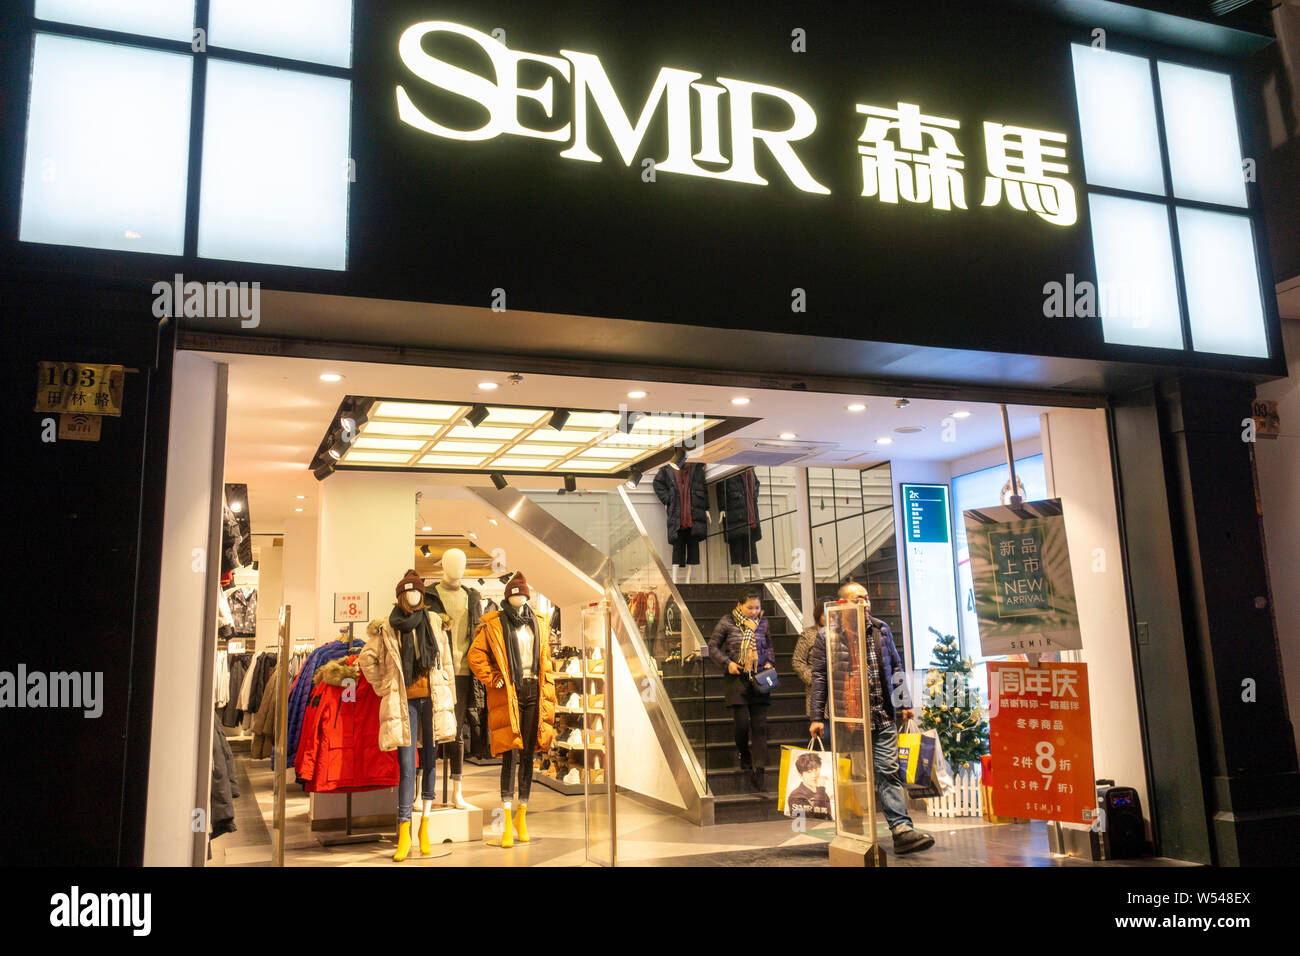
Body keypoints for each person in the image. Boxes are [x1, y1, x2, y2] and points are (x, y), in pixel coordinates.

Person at [809, 582, 934, 855]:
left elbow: (896, 666)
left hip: (882, 716)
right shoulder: (826, 635)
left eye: (867, 598)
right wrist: (817, 716)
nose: (865, 603)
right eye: (858, 599)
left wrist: (904, 703)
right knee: (852, 778)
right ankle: (853, 833)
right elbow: (819, 676)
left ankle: (901, 830)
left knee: (888, 771)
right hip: (847, 721)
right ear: (843, 604)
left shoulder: (881, 629)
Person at [707, 587, 776, 791]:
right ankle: (744, 753)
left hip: (759, 678)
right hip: (736, 679)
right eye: (750, 608)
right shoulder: (727, 621)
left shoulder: (763, 623)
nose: (754, 612)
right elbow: (712, 647)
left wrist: (770, 661)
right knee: (741, 725)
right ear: (739, 605)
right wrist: (727, 663)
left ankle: (759, 771)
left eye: (757, 608)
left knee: (760, 726)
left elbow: (769, 645)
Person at [792, 603, 827, 719]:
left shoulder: (843, 633)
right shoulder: (808, 634)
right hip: (818, 690)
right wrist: (814, 679)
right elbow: (798, 661)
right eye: (825, 614)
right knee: (823, 731)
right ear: (818, 615)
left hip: (841, 690)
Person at [787, 750, 833, 820]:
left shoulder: (822, 793)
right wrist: (820, 789)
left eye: (816, 770)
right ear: (800, 775)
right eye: (809, 772)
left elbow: (829, 817)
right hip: (807, 829)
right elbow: (817, 817)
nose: (814, 775)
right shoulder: (796, 796)